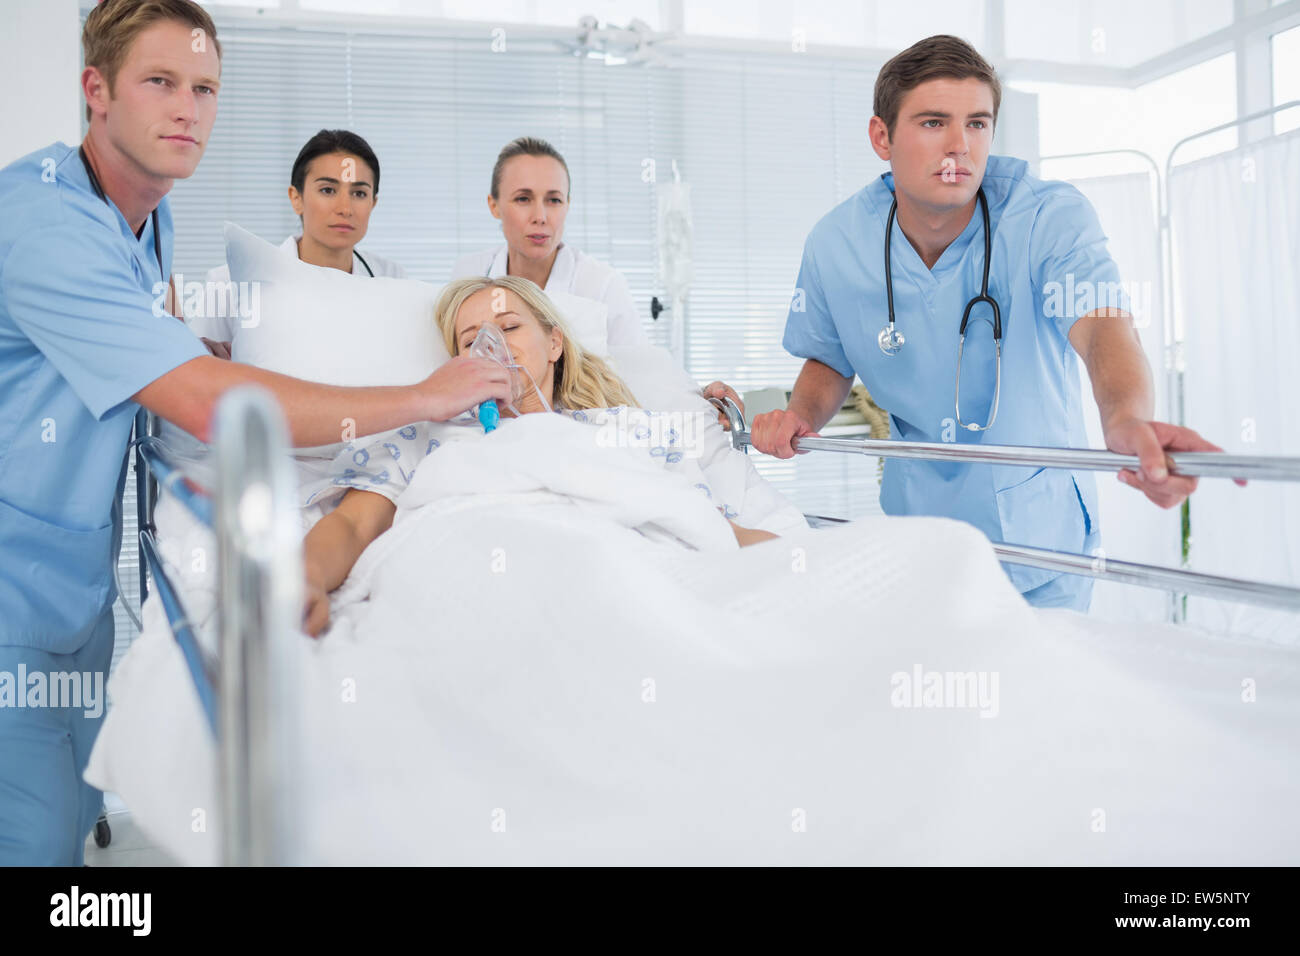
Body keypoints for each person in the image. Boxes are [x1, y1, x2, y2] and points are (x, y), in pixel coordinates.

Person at [0, 0, 510, 866]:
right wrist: (425, 397)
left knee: (78, 810)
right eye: (160, 82)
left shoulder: (147, 212)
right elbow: (210, 404)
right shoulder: (42, 221)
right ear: (96, 91)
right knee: (40, 841)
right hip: (15, 584)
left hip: (72, 579)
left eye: (205, 88)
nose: (187, 109)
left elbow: (150, 354)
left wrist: (190, 351)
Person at [749, 34, 1230, 612]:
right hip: (917, 532)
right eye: (933, 122)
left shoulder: (1047, 217)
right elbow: (829, 355)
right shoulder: (836, 242)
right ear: (882, 137)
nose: (960, 146)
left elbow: (1103, 327)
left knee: (1039, 696)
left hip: (1039, 540)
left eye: (977, 123)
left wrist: (1126, 419)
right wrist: (800, 416)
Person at [302, 276, 780, 637]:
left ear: (554, 344)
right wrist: (304, 580)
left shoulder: (630, 428)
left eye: (509, 326)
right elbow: (353, 526)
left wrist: (803, 559)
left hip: (616, 585)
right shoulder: (423, 432)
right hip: (470, 587)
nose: (493, 345)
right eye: (472, 341)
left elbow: (704, 527)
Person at [451, 136, 744, 420]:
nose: (540, 216)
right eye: (523, 198)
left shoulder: (601, 284)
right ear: (494, 205)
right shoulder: (469, 277)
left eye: (553, 200)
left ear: (568, 205)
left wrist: (696, 401)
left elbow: (640, 373)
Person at [187, 128, 404, 349]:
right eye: (328, 190)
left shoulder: (393, 280)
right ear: (296, 198)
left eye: (359, 193)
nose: (345, 208)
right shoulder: (229, 283)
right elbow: (197, 368)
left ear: (373, 204)